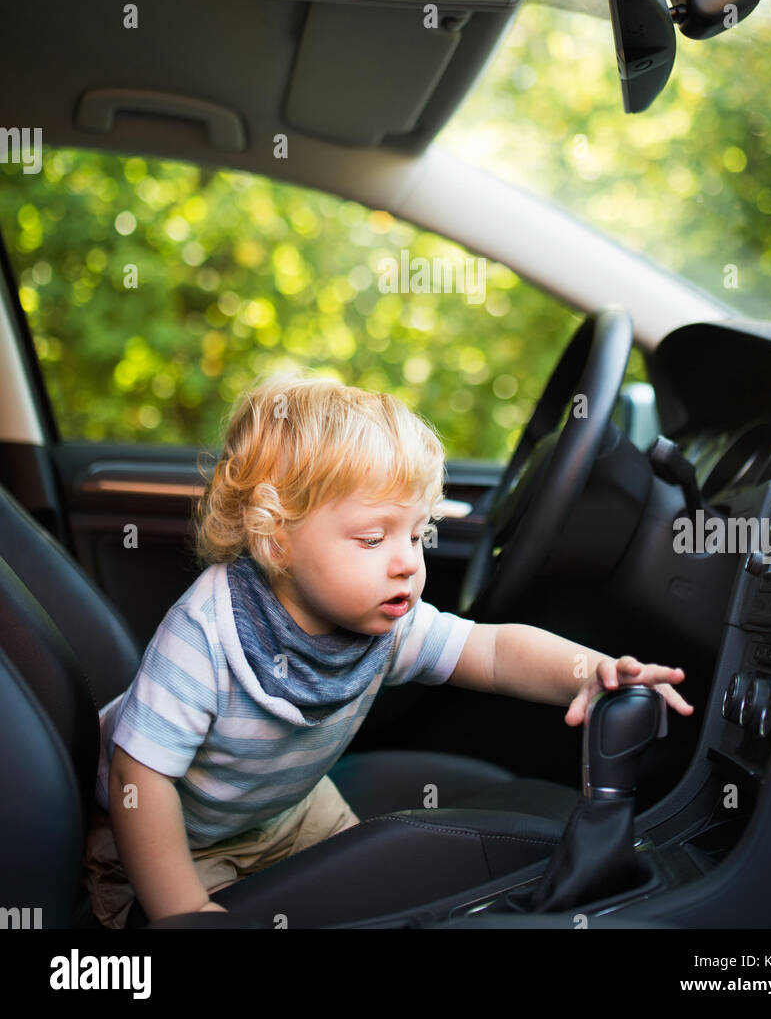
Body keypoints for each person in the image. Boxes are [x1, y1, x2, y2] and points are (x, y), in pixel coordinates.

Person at [81, 371, 692, 928]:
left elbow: (494, 652)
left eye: (419, 533)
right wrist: (180, 908)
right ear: (274, 537)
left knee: (365, 893)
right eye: (373, 538)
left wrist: (591, 672)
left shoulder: (386, 621)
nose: (408, 563)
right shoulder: (206, 634)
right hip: (177, 837)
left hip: (286, 810)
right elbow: (143, 777)